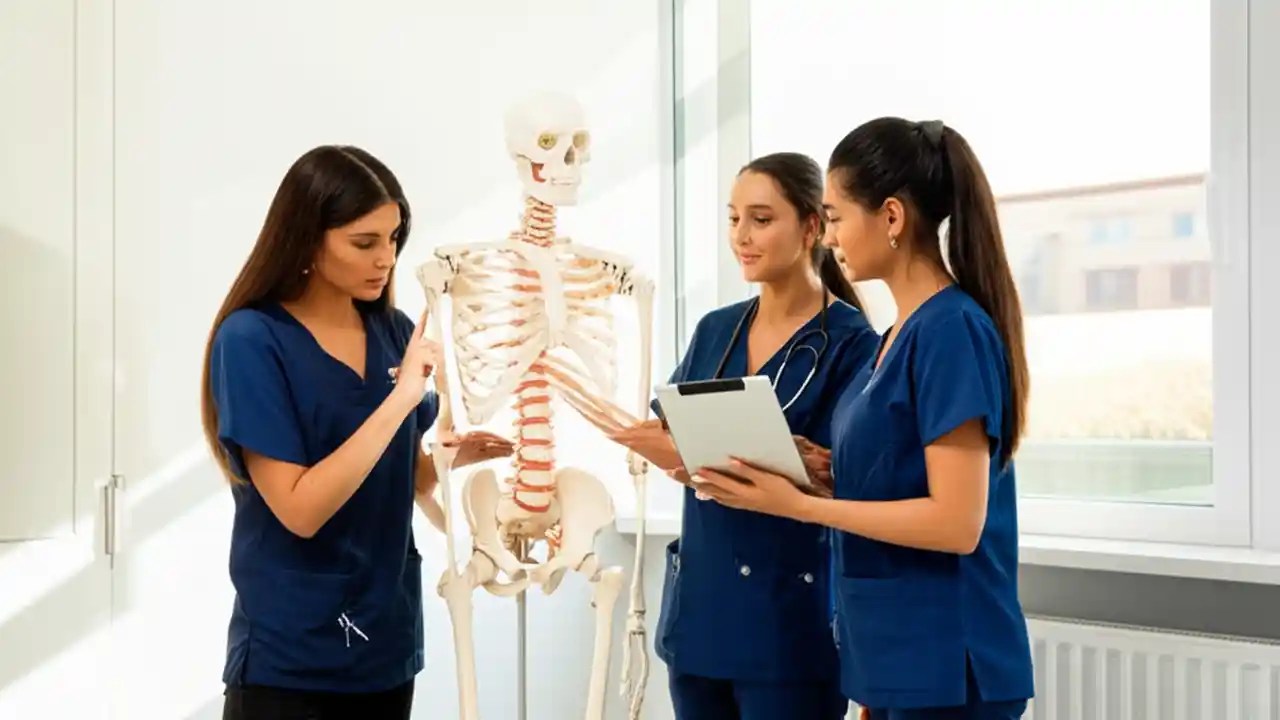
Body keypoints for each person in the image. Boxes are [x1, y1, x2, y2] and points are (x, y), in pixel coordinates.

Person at [690, 118, 1036, 720]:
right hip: (896, 663)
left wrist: (800, 505)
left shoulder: (949, 330)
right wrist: (822, 469)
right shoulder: (898, 334)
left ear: (893, 218)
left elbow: (957, 522)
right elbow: (901, 473)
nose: (829, 238)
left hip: (948, 665)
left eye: (837, 217)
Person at [199, 145, 513, 720]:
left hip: (384, 645)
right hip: (291, 661)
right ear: (308, 238)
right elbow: (300, 509)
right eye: (364, 242)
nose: (386, 259)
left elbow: (399, 475)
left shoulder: (391, 331)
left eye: (394, 239)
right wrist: (400, 400)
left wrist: (446, 456)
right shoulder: (252, 341)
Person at [603, 152, 881, 719]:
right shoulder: (716, 330)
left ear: (811, 227)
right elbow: (674, 439)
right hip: (703, 615)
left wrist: (728, 458)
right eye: (733, 219)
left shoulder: (854, 343)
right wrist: (679, 452)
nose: (741, 237)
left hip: (789, 621)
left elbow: (834, 473)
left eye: (760, 219)